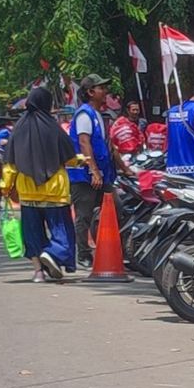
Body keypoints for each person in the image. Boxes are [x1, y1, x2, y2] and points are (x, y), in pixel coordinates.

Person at [1, 87, 79, 282]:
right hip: (55, 191)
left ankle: (38, 273)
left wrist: (6, 188)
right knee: (62, 231)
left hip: (27, 191)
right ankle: (52, 254)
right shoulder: (53, 128)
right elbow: (69, 158)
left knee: (32, 234)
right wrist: (82, 160)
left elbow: (10, 163)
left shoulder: (18, 128)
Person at [68, 74, 129, 268]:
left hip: (102, 175)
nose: (105, 91)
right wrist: (93, 171)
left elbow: (110, 147)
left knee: (116, 207)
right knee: (83, 215)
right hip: (84, 175)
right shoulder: (84, 114)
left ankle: (110, 247)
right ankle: (83, 254)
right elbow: (84, 143)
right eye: (101, 88)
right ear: (90, 92)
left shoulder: (99, 116)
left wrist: (126, 169)